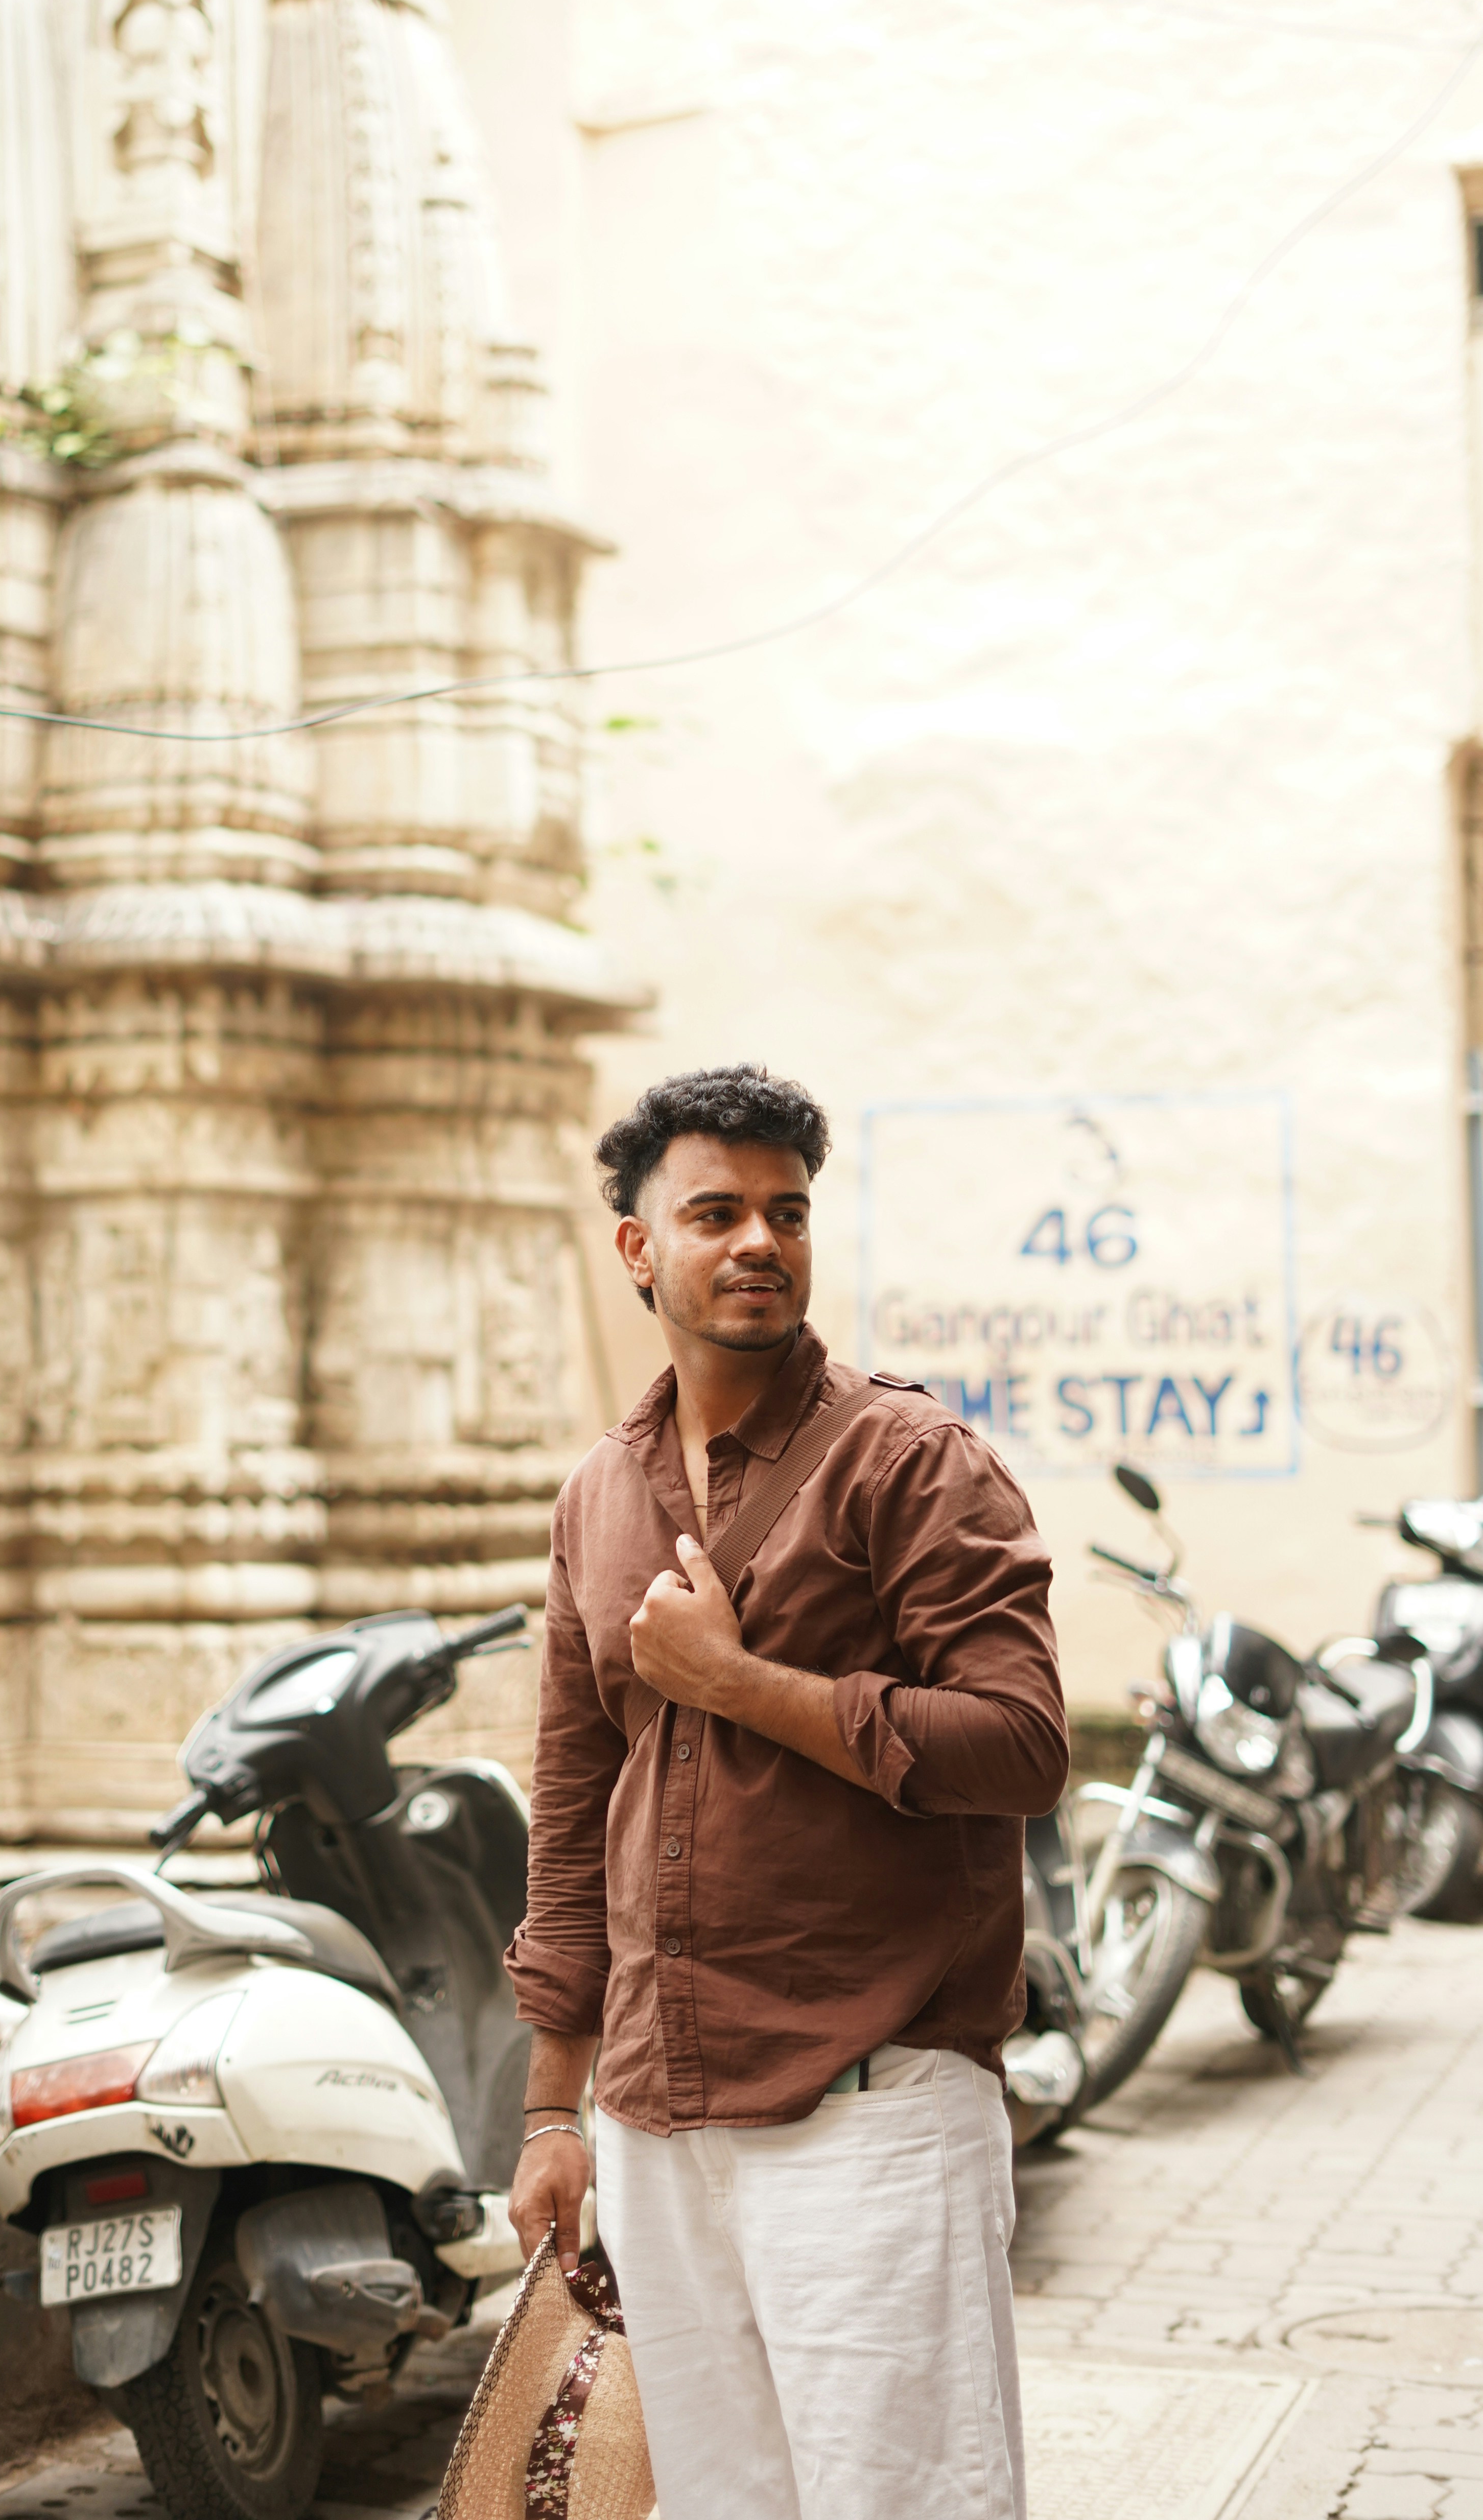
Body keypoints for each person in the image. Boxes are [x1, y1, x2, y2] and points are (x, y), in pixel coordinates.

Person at [505, 1064, 1068, 2520]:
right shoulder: (598, 1498)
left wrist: (743, 1684)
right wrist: (553, 2112)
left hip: (868, 2108)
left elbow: (1021, 1743)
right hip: (656, 2127)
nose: (760, 1240)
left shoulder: (911, 1463)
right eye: (717, 1213)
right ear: (640, 1249)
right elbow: (572, 1811)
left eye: (788, 1212)